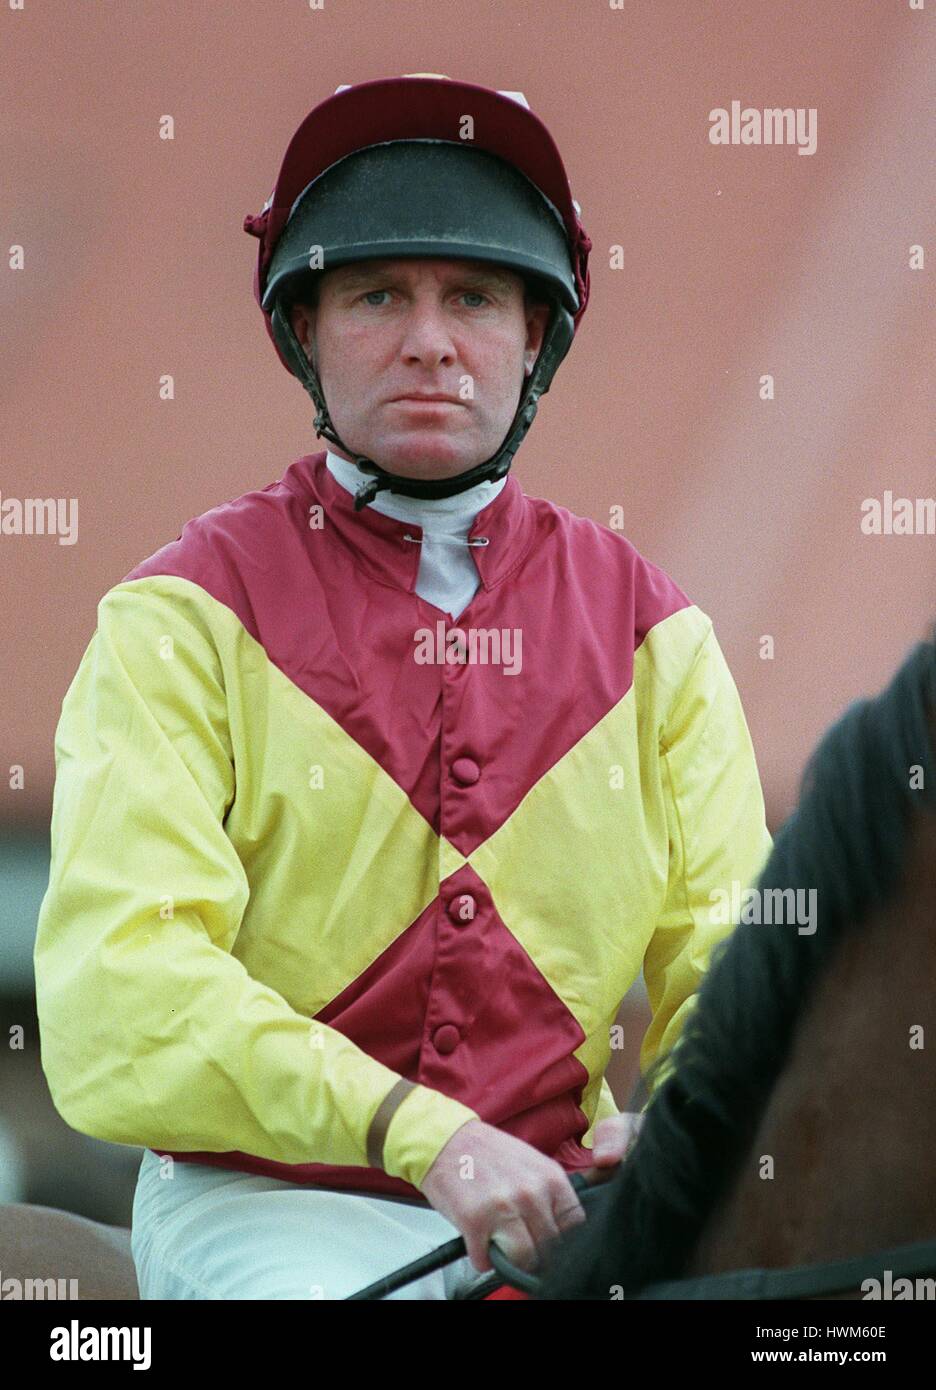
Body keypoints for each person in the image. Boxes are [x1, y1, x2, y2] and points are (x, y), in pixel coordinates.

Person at [33, 74, 773, 1300]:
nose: (430, 338)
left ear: (532, 340)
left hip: (564, 1205)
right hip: (275, 1210)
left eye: (473, 298)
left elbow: (738, 952)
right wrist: (422, 1133)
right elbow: (126, 990)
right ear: (306, 331)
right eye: (379, 295)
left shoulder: (660, 635)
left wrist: (699, 1115)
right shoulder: (178, 618)